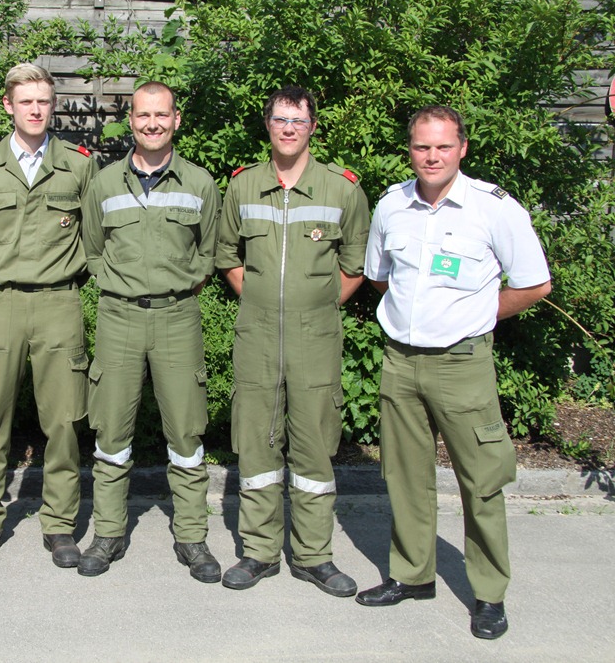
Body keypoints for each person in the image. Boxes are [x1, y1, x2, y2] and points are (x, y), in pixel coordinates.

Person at [357, 105, 551, 638]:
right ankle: (412, 575)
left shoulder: (493, 208)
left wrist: (476, 315)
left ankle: (489, 594)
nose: (432, 156)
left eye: (443, 146)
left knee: (481, 481)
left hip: (463, 363)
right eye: (422, 147)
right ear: (410, 149)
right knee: (404, 475)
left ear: (462, 148)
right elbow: (379, 278)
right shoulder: (391, 205)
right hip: (401, 360)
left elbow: (535, 284)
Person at [215, 86, 369, 595]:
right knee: (256, 443)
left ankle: (313, 555)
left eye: (297, 121)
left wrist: (314, 307)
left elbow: (354, 267)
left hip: (315, 338)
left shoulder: (341, 189)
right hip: (256, 333)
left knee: (315, 447)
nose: (288, 128)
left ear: (312, 127)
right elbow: (227, 257)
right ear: (268, 125)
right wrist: (260, 300)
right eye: (280, 119)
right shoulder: (242, 186)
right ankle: (258, 552)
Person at [78, 81, 222, 582]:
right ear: (131, 121)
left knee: (186, 432)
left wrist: (176, 287)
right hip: (119, 318)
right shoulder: (104, 183)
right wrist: (117, 284)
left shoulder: (200, 183)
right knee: (111, 431)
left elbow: (209, 253)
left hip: (178, 318)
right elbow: (93, 249)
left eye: (161, 115)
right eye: (143, 115)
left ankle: (192, 538)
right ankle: (108, 532)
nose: (152, 123)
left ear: (176, 119)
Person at [0, 63, 97, 569]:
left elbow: (94, 236)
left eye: (43, 101)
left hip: (59, 303)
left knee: (63, 422)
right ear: (8, 106)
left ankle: (60, 525)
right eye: (26, 102)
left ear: (53, 105)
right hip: (1, 304)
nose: (36, 110)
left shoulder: (79, 166)